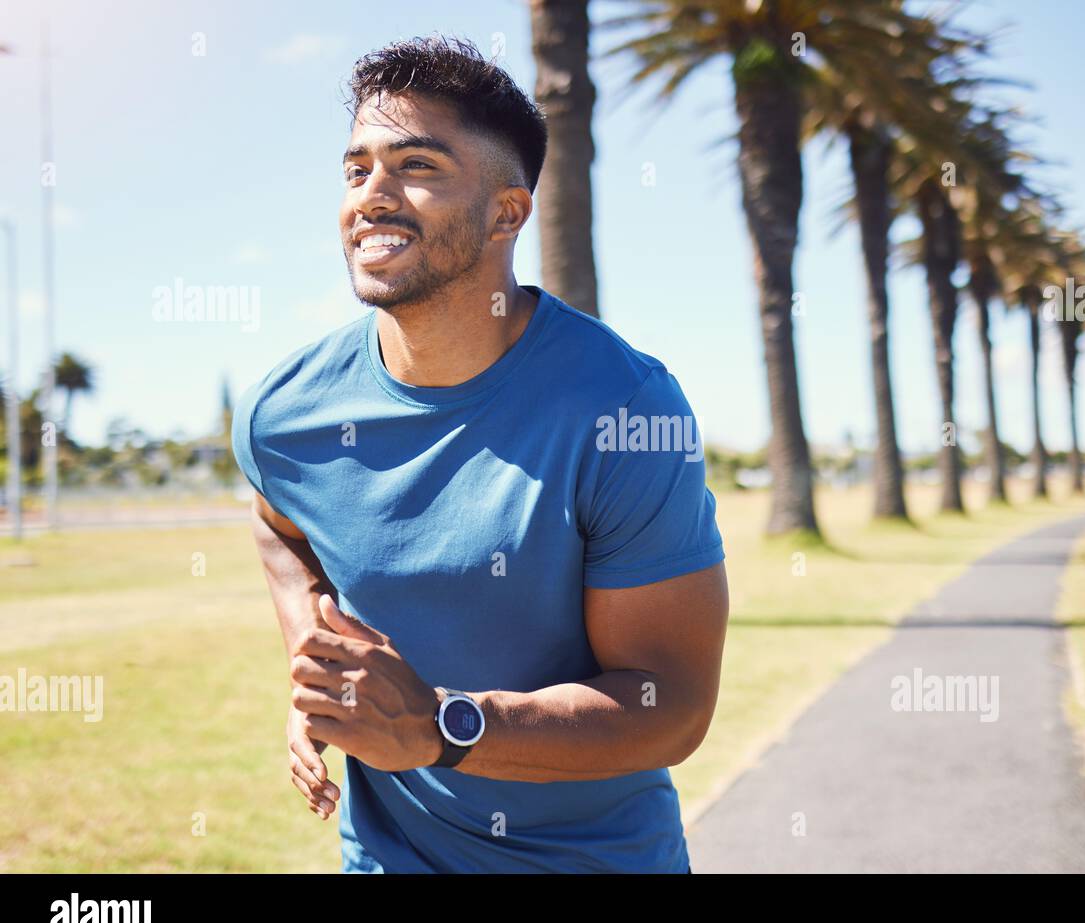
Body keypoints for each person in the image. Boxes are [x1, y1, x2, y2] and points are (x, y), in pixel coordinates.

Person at [231, 36, 728, 873]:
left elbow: (669, 705)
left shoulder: (626, 410)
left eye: (416, 166)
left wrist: (436, 725)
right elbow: (280, 527)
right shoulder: (287, 413)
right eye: (357, 170)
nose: (373, 197)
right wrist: (316, 665)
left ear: (508, 212)